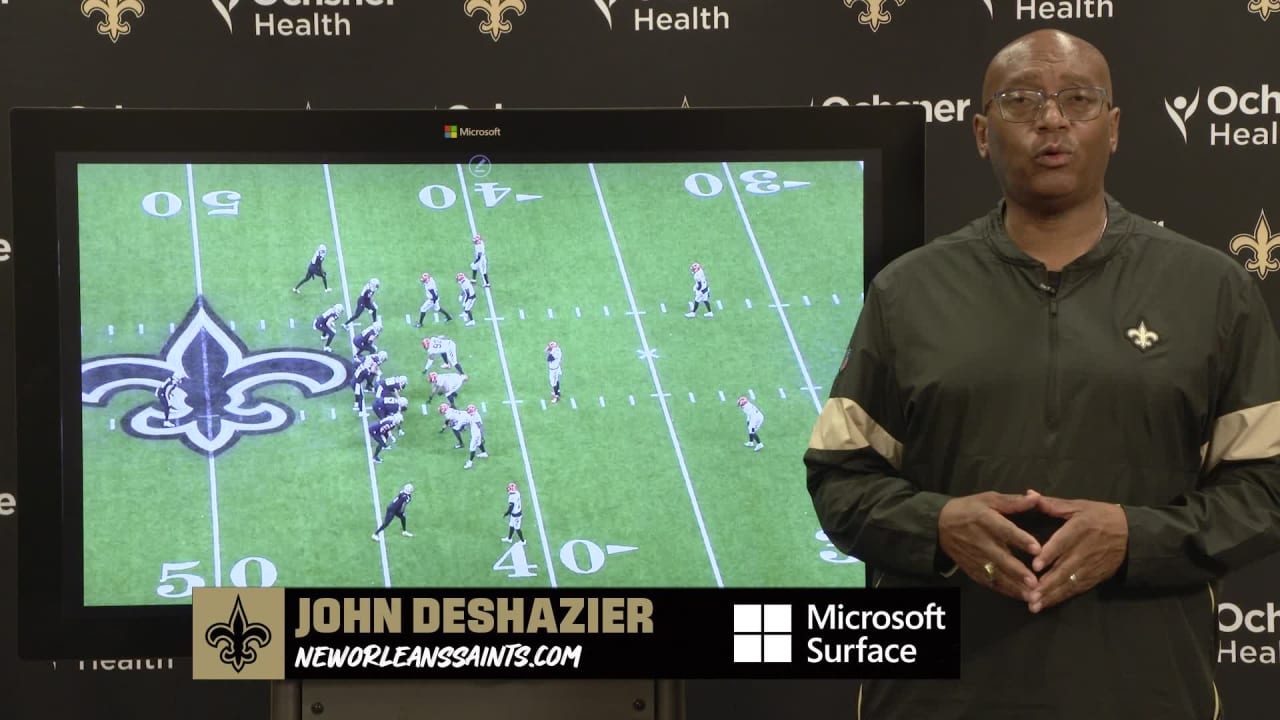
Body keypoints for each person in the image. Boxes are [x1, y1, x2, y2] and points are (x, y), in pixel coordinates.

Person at [804, 29, 1280, 720]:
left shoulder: (1212, 289)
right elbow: (840, 477)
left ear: (1113, 129)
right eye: (1021, 100)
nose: (1051, 119)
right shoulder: (908, 291)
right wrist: (938, 527)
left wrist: (1135, 539)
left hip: (1143, 692)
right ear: (979, 131)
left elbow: (1266, 487)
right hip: (934, 697)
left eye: (1078, 100)